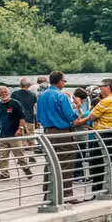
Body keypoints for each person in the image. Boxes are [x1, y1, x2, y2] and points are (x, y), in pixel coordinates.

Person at [35, 71, 80, 199]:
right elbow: (69, 115)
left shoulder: (42, 96)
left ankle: (48, 193)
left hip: (47, 132)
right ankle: (66, 194)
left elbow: (38, 116)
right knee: (66, 162)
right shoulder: (61, 96)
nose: (64, 83)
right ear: (59, 81)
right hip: (62, 132)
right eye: (64, 81)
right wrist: (77, 107)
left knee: (50, 162)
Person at [86, 79, 112, 190]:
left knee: (97, 164)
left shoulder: (105, 101)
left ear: (108, 87)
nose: (100, 89)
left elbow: (91, 116)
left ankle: (97, 190)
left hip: (102, 135)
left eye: (101, 86)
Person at [0, 84, 32, 180]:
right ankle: (4, 174)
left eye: (5, 92)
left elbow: (22, 117)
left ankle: (26, 168)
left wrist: (20, 129)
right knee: (3, 156)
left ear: (9, 92)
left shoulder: (15, 103)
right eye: (1, 93)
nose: (4, 94)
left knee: (19, 155)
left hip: (15, 134)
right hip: (3, 134)